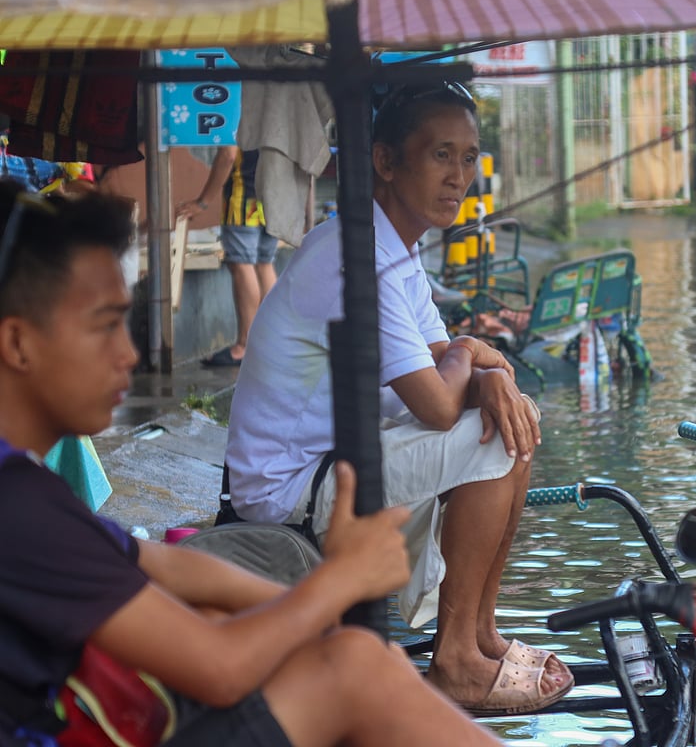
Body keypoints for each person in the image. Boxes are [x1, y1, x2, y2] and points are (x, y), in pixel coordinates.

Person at [0, 180, 505, 747]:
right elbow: (220, 668)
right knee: (351, 670)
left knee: (314, 639)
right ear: (18, 344)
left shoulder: (27, 489)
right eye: (103, 325)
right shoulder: (16, 505)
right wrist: (342, 582)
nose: (129, 354)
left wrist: (320, 617)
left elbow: (170, 567)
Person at [224, 81, 574, 715]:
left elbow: (445, 362)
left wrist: (491, 376)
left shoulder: (394, 251)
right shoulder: (354, 257)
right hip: (291, 491)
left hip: (343, 461)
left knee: (512, 417)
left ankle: (480, 633)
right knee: (491, 437)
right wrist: (472, 353)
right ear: (385, 161)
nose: (459, 177)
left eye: (468, 157)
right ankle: (455, 659)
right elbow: (439, 403)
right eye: (441, 155)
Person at [176, 147, 276, 367]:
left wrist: (202, 202)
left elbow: (228, 154)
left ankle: (245, 345)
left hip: (243, 197)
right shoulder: (277, 120)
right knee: (264, 263)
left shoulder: (238, 121)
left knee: (242, 264)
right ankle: (270, 340)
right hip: (273, 197)